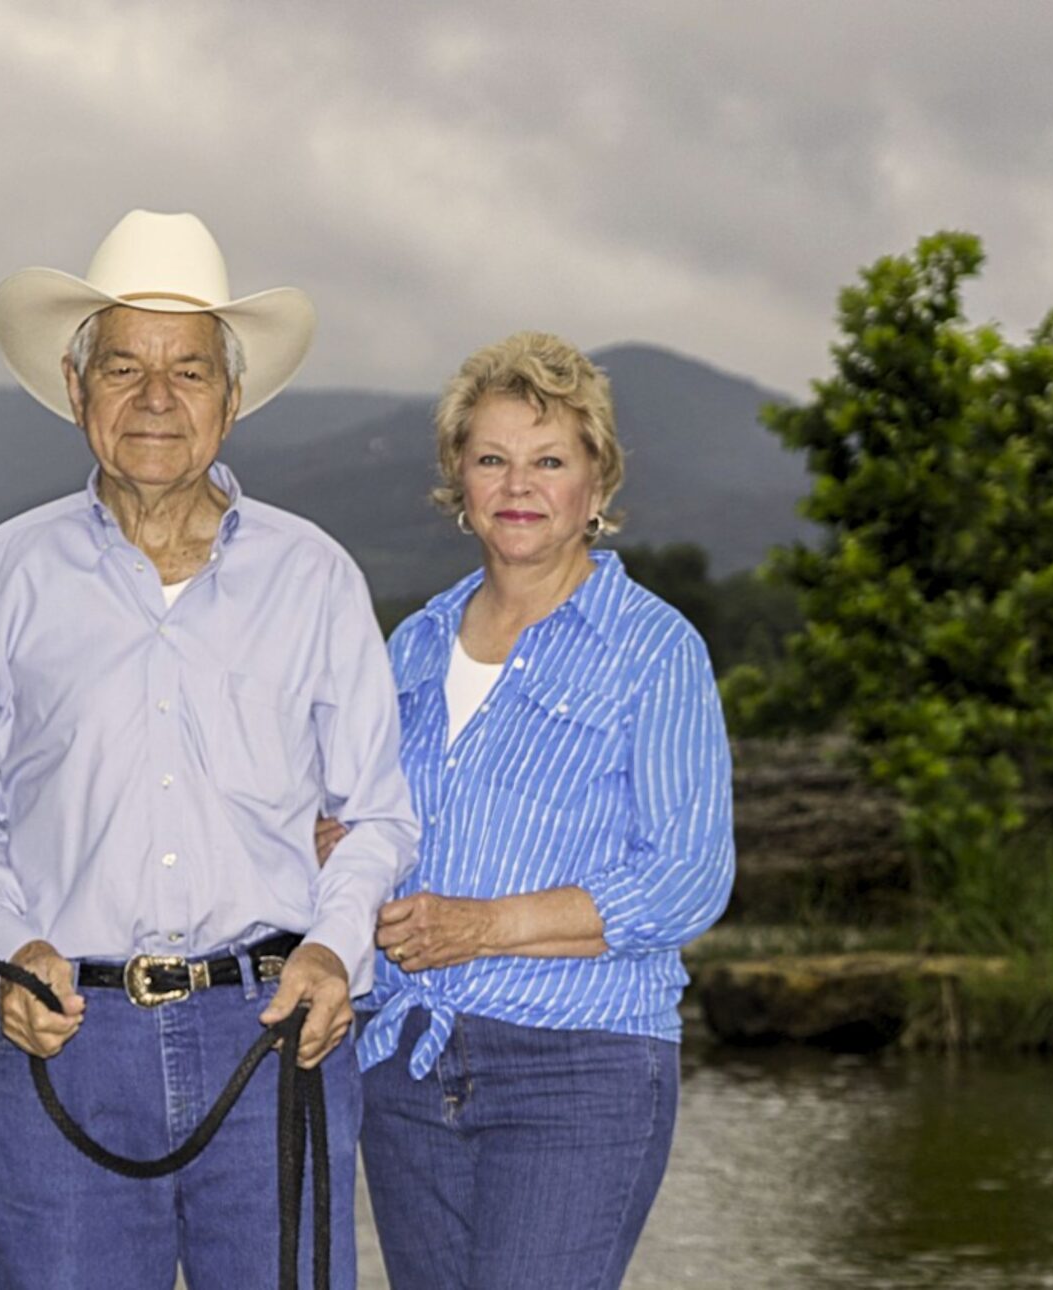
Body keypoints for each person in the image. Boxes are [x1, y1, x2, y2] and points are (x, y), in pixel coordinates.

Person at [0, 209, 417, 1290]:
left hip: (273, 1034)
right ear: (74, 386)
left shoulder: (316, 577)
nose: (156, 399)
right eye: (123, 368)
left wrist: (335, 949)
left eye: (188, 371)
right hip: (63, 1040)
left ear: (230, 399)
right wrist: (6, 951)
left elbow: (376, 813)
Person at [330, 331, 734, 1290]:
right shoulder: (414, 645)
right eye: (492, 459)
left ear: (596, 489)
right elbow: (375, 824)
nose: (520, 484)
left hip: (580, 1070)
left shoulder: (655, 649)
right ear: (458, 483)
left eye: (550, 460)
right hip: (408, 1062)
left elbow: (687, 879)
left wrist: (483, 927)